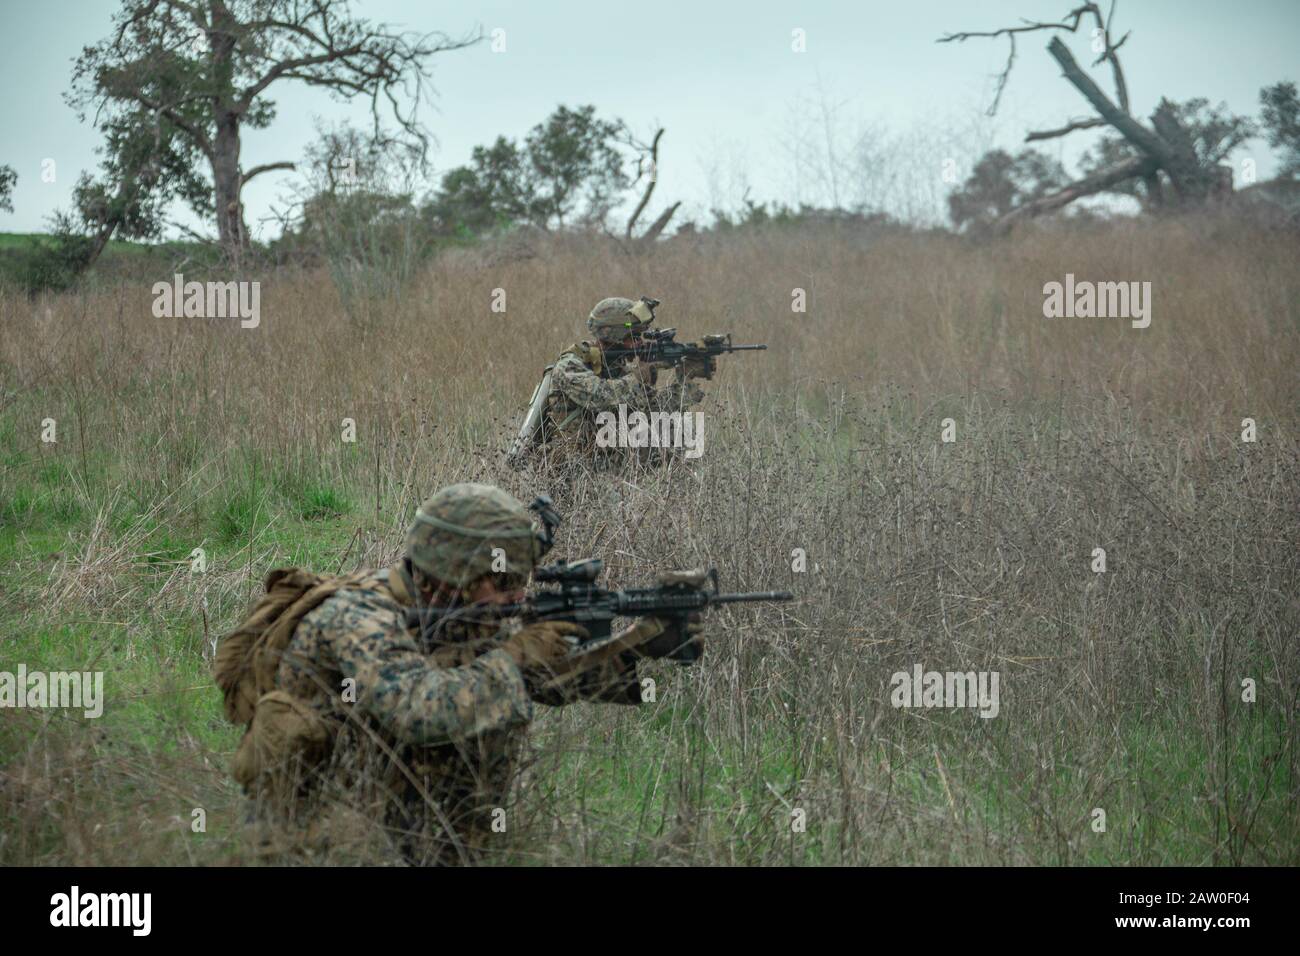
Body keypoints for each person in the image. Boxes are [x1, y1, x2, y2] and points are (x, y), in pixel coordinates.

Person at [220, 482, 705, 865]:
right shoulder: (359, 618)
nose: (517, 595)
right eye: (503, 581)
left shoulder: (459, 611)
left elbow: (542, 677)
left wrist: (643, 639)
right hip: (323, 835)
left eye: (521, 580)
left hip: (409, 828)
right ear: (451, 571)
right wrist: (514, 656)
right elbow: (419, 710)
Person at [522, 295, 717, 468]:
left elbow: (653, 414)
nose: (639, 342)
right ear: (613, 335)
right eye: (633, 336)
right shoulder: (570, 366)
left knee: (678, 434)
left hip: (607, 456)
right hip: (571, 465)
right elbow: (600, 397)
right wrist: (640, 377)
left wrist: (685, 380)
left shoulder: (619, 368)